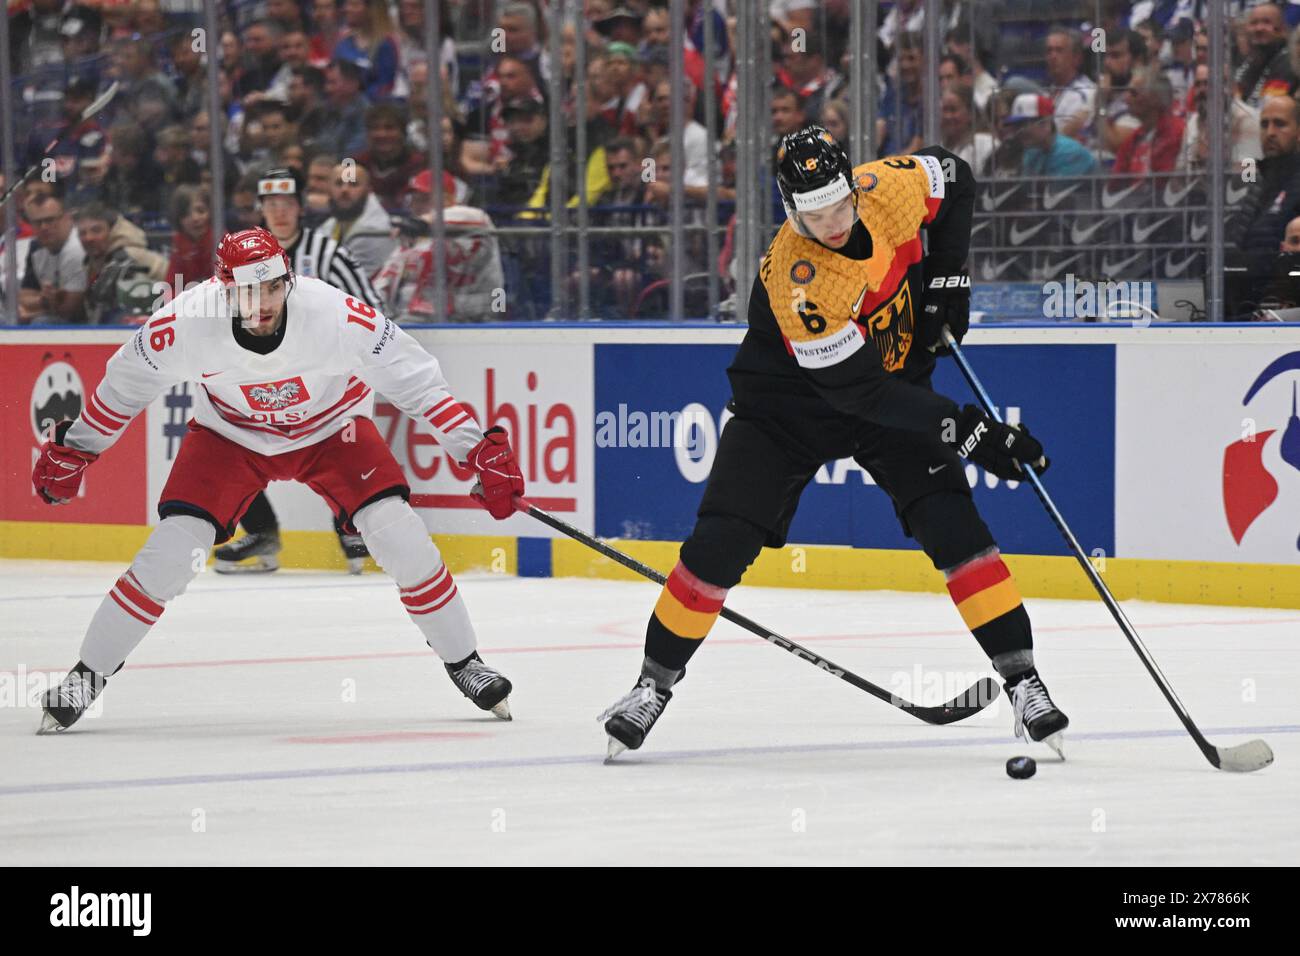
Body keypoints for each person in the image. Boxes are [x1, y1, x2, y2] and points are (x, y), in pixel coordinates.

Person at [597, 126, 1067, 760]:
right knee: (718, 544)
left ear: (853, 185)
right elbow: (862, 396)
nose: (835, 222)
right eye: (815, 215)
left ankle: (1024, 682)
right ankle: (651, 687)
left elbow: (956, 176)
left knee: (957, 529)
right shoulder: (801, 280)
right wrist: (974, 432)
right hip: (789, 409)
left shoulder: (888, 191)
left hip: (890, 383)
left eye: (841, 205)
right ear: (791, 210)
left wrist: (949, 282)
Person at [32, 227, 526, 733]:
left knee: (399, 533)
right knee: (171, 555)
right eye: (247, 291)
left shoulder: (336, 314)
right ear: (222, 290)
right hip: (230, 437)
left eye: (271, 287)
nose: (262, 302)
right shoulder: (184, 323)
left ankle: (466, 663)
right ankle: (85, 677)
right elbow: (124, 386)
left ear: (288, 279)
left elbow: (416, 380)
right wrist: (78, 448)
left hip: (335, 430)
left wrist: (475, 450)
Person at [213, 166, 385, 574]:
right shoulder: (243, 259)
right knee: (230, 434)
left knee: (341, 439)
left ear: (301, 207)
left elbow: (374, 312)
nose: (280, 212)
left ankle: (351, 528)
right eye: (271, 205)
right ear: (261, 209)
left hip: (327, 378)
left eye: (287, 203)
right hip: (265, 375)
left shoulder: (329, 253)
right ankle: (262, 531)